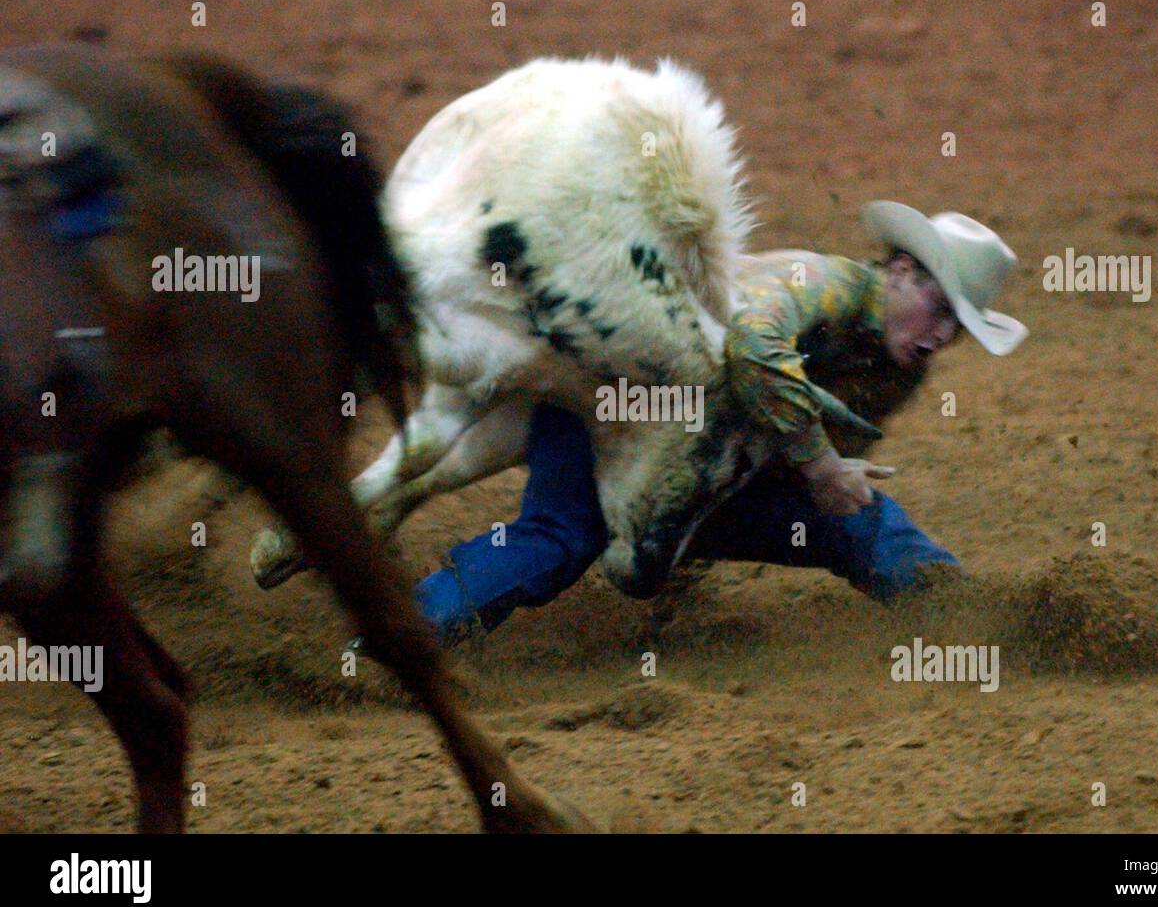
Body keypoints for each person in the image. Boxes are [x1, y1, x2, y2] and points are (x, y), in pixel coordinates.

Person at [362, 202, 1028, 648]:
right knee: (563, 533)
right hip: (615, 399)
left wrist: (820, 473)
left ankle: (973, 629)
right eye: (938, 309)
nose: (940, 336)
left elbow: (776, 445)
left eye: (958, 327)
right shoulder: (824, 284)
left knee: (858, 517)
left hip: (692, 455)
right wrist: (822, 464)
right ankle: (396, 643)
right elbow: (755, 345)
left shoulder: (892, 364)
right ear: (903, 272)